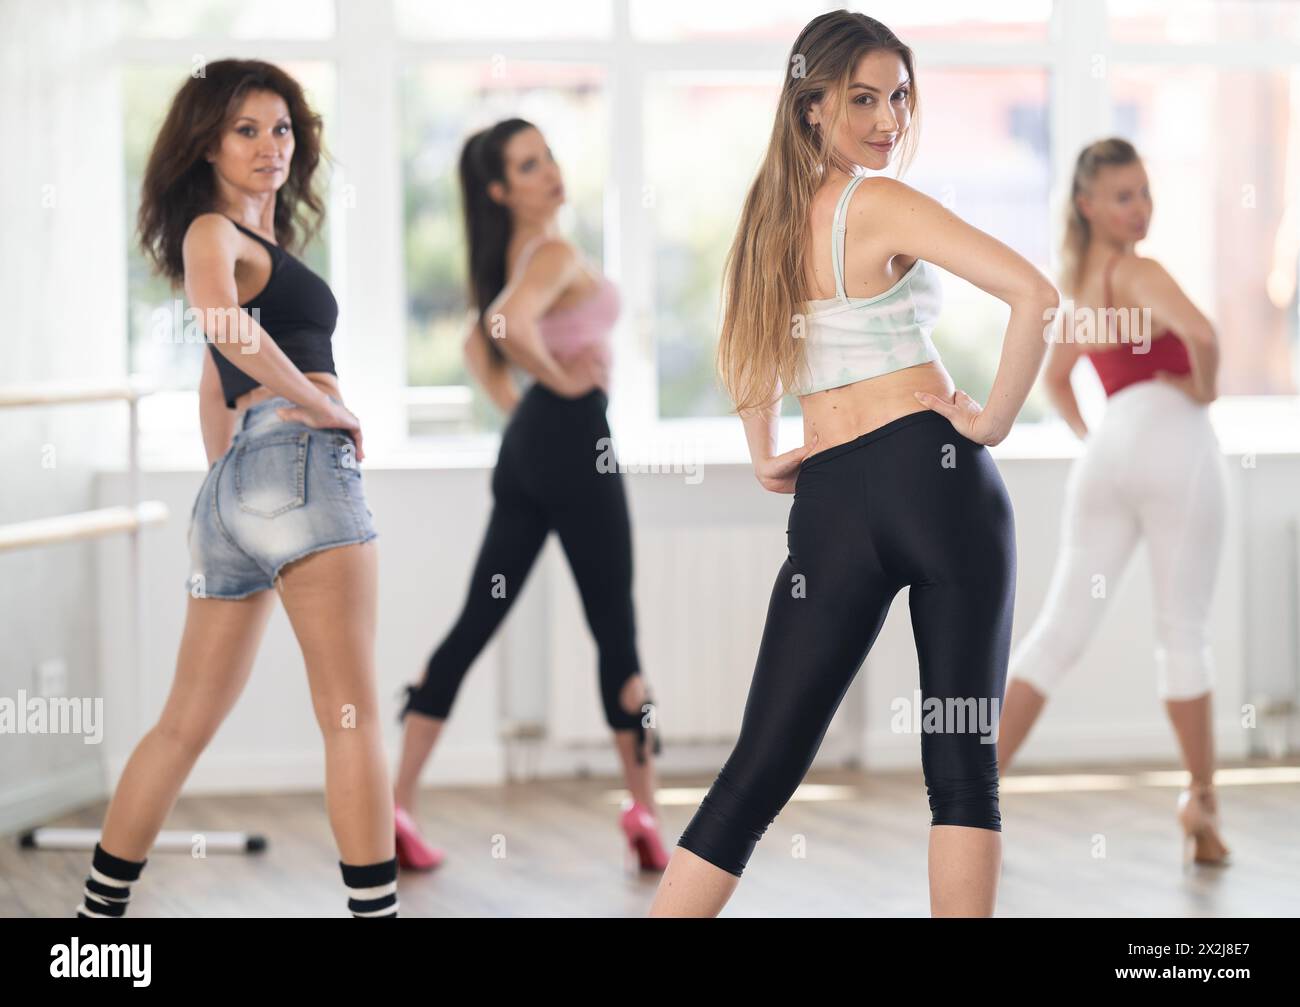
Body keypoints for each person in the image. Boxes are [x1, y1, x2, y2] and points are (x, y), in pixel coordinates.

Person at [648, 10, 1056, 917]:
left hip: (831, 496)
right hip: (937, 481)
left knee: (755, 773)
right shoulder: (877, 202)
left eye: (900, 96)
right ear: (810, 106)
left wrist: (765, 456)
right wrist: (989, 423)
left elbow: (743, 352)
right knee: (961, 768)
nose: (887, 120)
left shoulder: (763, 223)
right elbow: (1036, 293)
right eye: (862, 98)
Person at [77, 59, 397, 918]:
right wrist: (316, 400)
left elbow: (214, 383)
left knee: (182, 722)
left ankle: (93, 924)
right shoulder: (211, 232)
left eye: (282, 128)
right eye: (245, 130)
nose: (269, 146)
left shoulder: (254, 244)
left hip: (231, 492)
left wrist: (231, 482)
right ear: (207, 146)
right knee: (353, 717)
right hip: (295, 467)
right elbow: (222, 325)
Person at [392, 119, 669, 873]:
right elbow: (503, 326)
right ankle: (646, 816)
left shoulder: (509, 253)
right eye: (527, 165)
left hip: (530, 452)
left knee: (475, 621)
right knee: (617, 631)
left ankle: (397, 804)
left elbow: (479, 345)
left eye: (547, 155)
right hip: (577, 442)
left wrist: (525, 412)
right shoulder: (549, 252)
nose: (549, 171)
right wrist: (561, 386)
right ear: (498, 190)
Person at [997, 138, 1230, 867]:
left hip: (1110, 454)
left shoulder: (1080, 284)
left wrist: (1097, 436)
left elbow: (1059, 378)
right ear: (1089, 205)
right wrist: (1203, 390)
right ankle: (1201, 800)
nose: (1140, 208)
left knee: (1057, 630)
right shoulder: (1141, 271)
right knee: (1182, 631)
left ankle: (973, 792)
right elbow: (1203, 335)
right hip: (1174, 442)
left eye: (1145, 193)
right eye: (1124, 196)